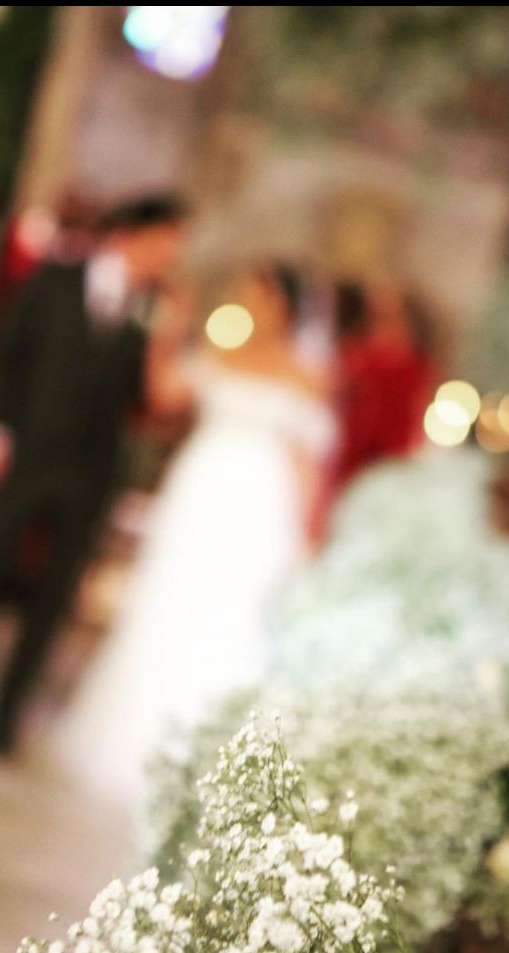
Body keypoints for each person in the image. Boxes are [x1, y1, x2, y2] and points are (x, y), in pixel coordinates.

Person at [57, 262, 336, 811]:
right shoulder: (221, 354)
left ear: (284, 307)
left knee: (236, 616)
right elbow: (164, 397)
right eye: (244, 293)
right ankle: (142, 741)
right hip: (201, 492)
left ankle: (213, 753)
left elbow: (306, 461)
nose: (250, 305)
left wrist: (307, 536)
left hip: (260, 504)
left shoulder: (304, 373)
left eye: (259, 296)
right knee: (171, 604)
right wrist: (168, 334)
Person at [0, 193, 191, 755]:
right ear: (131, 235)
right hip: (27, 450)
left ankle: (8, 710)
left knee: (54, 597)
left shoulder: (152, 310)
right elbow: (5, 354)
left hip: (92, 468)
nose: (170, 257)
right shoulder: (55, 279)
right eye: (166, 243)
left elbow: (150, 404)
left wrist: (168, 339)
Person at [327, 279, 440, 501]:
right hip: (350, 432)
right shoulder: (354, 345)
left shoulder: (415, 361)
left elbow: (415, 404)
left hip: (388, 440)